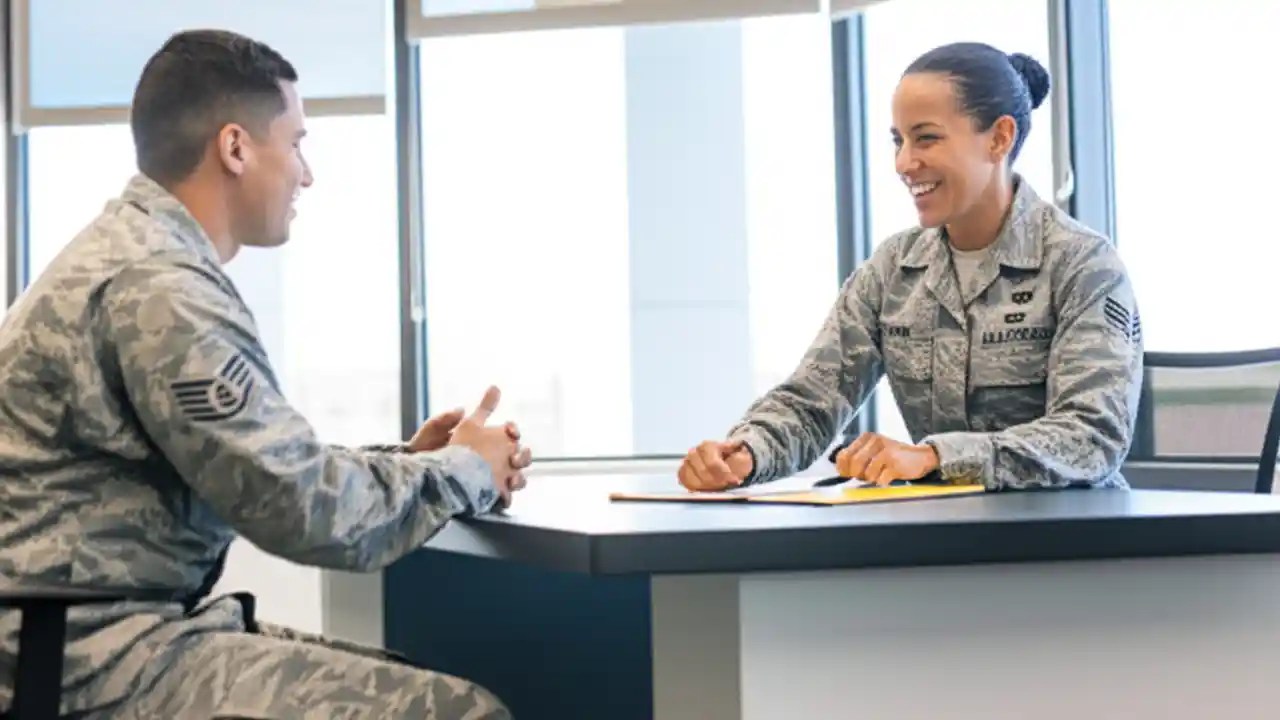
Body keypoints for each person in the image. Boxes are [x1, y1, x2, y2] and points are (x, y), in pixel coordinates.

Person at [0, 30, 527, 719]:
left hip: (93, 636)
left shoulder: (142, 255)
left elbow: (267, 464)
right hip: (84, 663)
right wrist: (465, 471)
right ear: (236, 148)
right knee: (459, 712)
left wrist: (410, 463)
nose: (306, 173)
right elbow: (304, 510)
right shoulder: (160, 289)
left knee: (400, 678)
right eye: (298, 142)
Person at [678, 42, 1142, 493]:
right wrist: (747, 454)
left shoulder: (1083, 265)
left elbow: (1092, 435)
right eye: (898, 141)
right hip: (935, 543)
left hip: (1071, 547)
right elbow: (813, 400)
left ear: (999, 138)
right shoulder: (893, 270)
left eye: (927, 138)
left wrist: (934, 456)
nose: (904, 162)